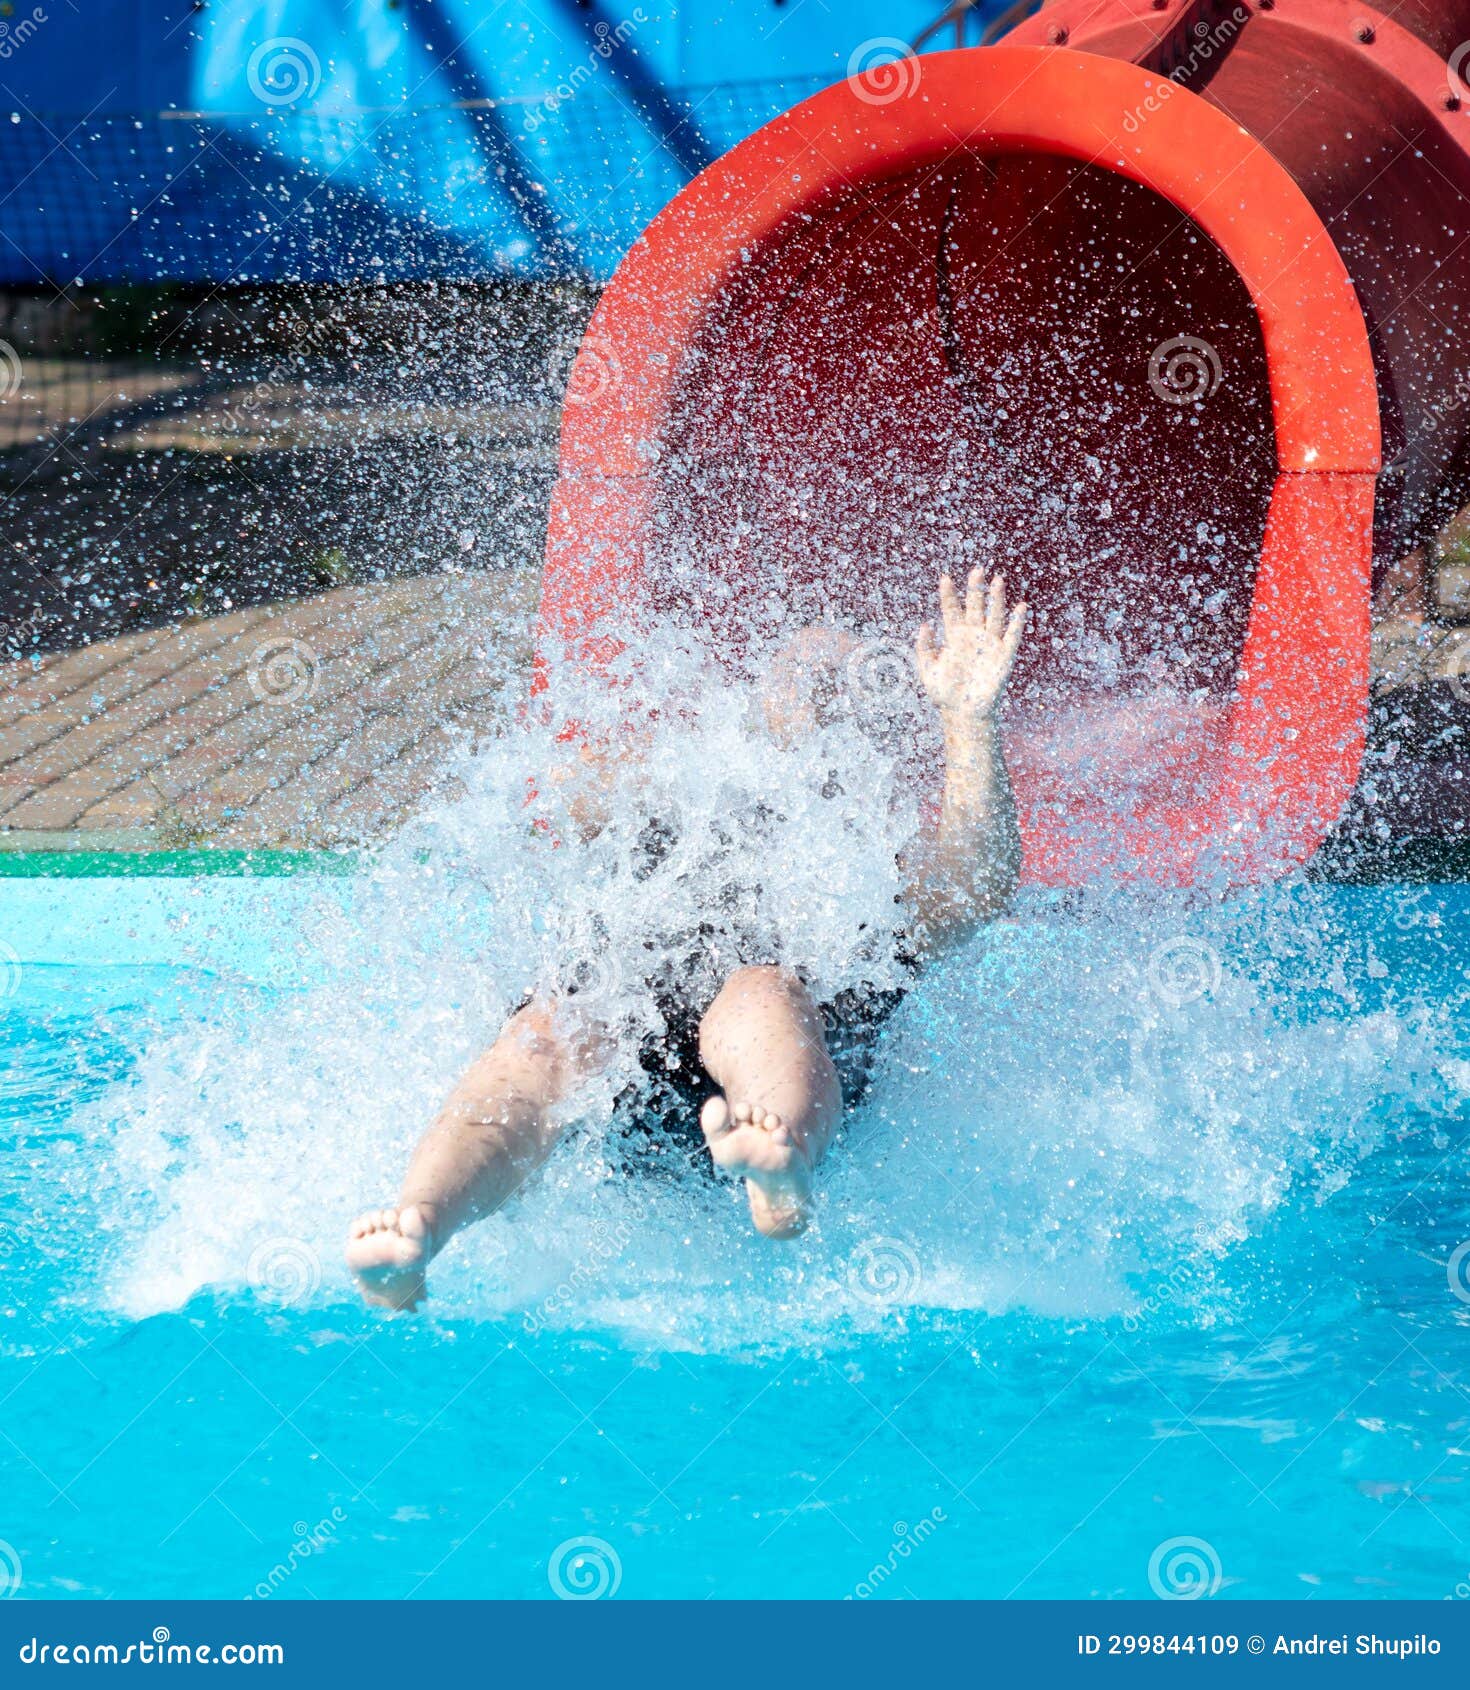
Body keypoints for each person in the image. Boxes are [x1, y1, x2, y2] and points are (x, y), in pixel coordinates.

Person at [347, 568, 1027, 1309]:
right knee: (546, 1038)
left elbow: (977, 884)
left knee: (758, 995)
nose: (814, 701)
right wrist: (669, 762)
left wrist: (968, 726)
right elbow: (557, 798)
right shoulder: (680, 804)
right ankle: (421, 1226)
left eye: (836, 695)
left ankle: (780, 1169)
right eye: (799, 678)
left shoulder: (865, 869)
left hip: (773, 1092)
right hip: (616, 1095)